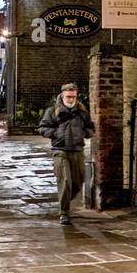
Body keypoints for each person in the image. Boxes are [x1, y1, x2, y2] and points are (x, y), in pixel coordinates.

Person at [38, 82, 94, 225]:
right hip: (60, 151)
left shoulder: (82, 111)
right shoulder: (53, 111)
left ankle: (64, 200)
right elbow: (43, 128)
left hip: (77, 151)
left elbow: (90, 127)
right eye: (68, 96)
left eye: (73, 97)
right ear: (62, 95)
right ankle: (64, 213)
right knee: (65, 181)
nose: (71, 99)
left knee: (77, 183)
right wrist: (56, 134)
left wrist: (85, 133)